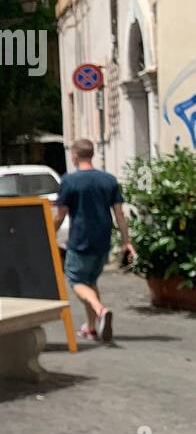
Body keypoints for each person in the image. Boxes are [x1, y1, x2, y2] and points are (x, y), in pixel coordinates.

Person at [54, 138, 135, 343]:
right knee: (91, 282)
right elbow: (119, 215)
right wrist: (127, 241)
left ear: (74, 155)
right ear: (92, 154)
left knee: (76, 280)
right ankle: (91, 328)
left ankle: (100, 310)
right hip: (103, 241)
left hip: (80, 240)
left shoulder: (69, 181)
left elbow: (60, 215)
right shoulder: (109, 180)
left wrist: (48, 234)